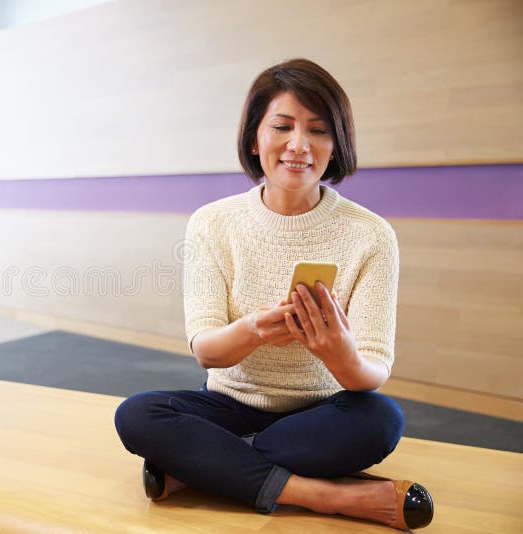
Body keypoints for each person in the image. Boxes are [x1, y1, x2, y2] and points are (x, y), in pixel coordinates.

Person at [114, 58, 434, 530]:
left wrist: (339, 353)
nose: (299, 145)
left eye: (319, 130)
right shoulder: (213, 223)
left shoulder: (371, 235)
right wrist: (253, 331)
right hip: (228, 404)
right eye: (282, 126)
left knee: (382, 419)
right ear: (254, 138)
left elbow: (371, 374)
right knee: (138, 414)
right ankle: (325, 495)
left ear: (336, 144)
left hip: (322, 412)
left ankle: (200, 469)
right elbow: (206, 351)